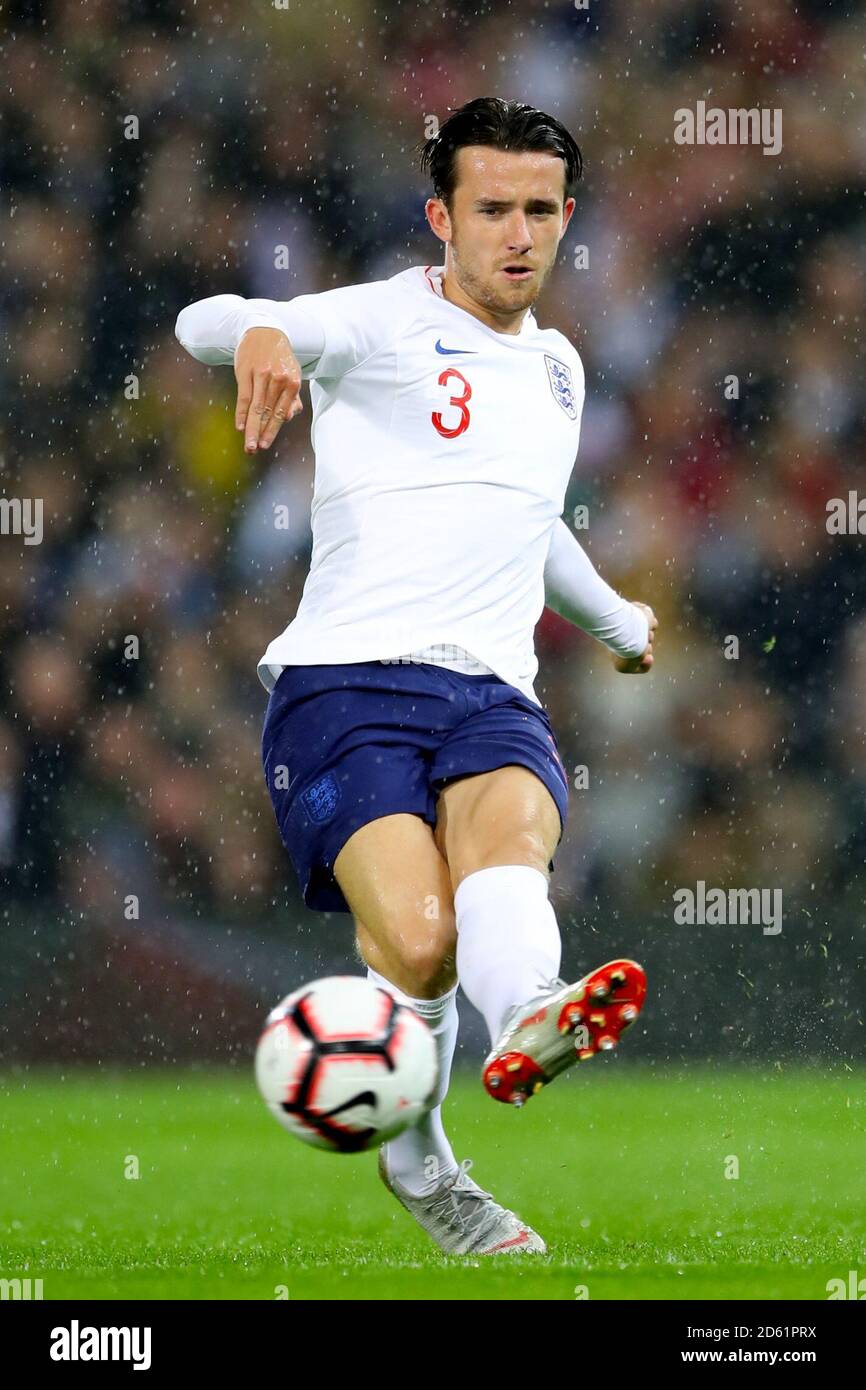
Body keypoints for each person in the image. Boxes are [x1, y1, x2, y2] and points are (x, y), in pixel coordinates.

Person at [175, 96, 658, 1256]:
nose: (517, 233)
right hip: (344, 688)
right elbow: (208, 317)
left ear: (565, 218)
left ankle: (533, 1014)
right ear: (441, 216)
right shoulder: (383, 322)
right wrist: (259, 332)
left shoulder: (556, 372)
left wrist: (613, 619)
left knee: (513, 841)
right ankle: (420, 1159)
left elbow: (532, 524)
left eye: (539, 210)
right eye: (492, 208)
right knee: (420, 938)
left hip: (492, 690)